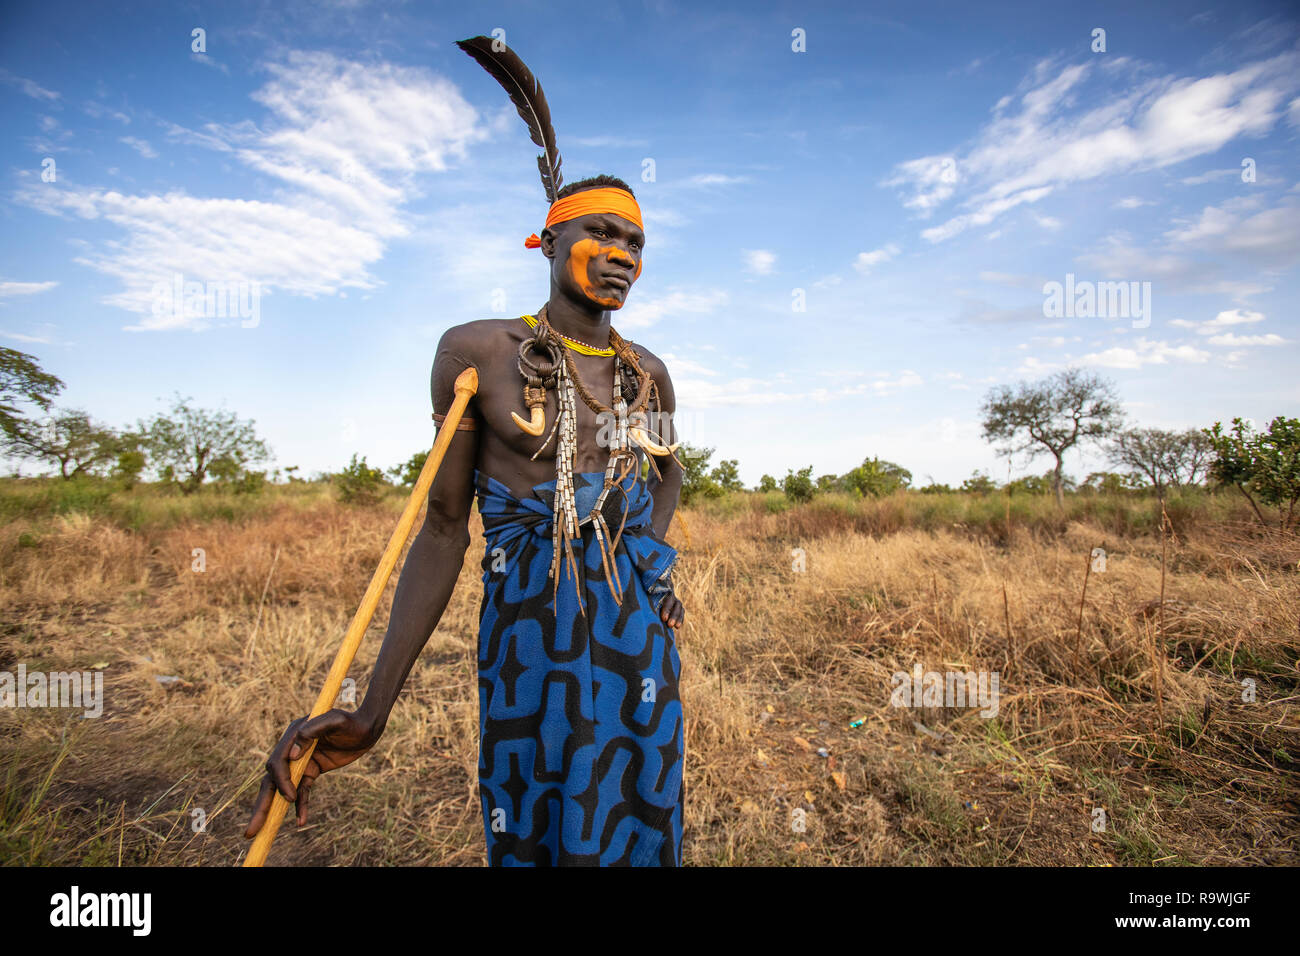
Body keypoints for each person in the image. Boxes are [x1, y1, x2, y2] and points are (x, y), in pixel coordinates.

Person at [244, 175, 688, 866]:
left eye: (634, 242)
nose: (623, 254)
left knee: (638, 809)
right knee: (535, 816)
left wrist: (654, 569)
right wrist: (373, 709)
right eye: (601, 233)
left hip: (637, 641)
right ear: (548, 241)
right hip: (529, 637)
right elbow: (445, 528)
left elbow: (669, 471)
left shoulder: (648, 374)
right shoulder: (476, 352)